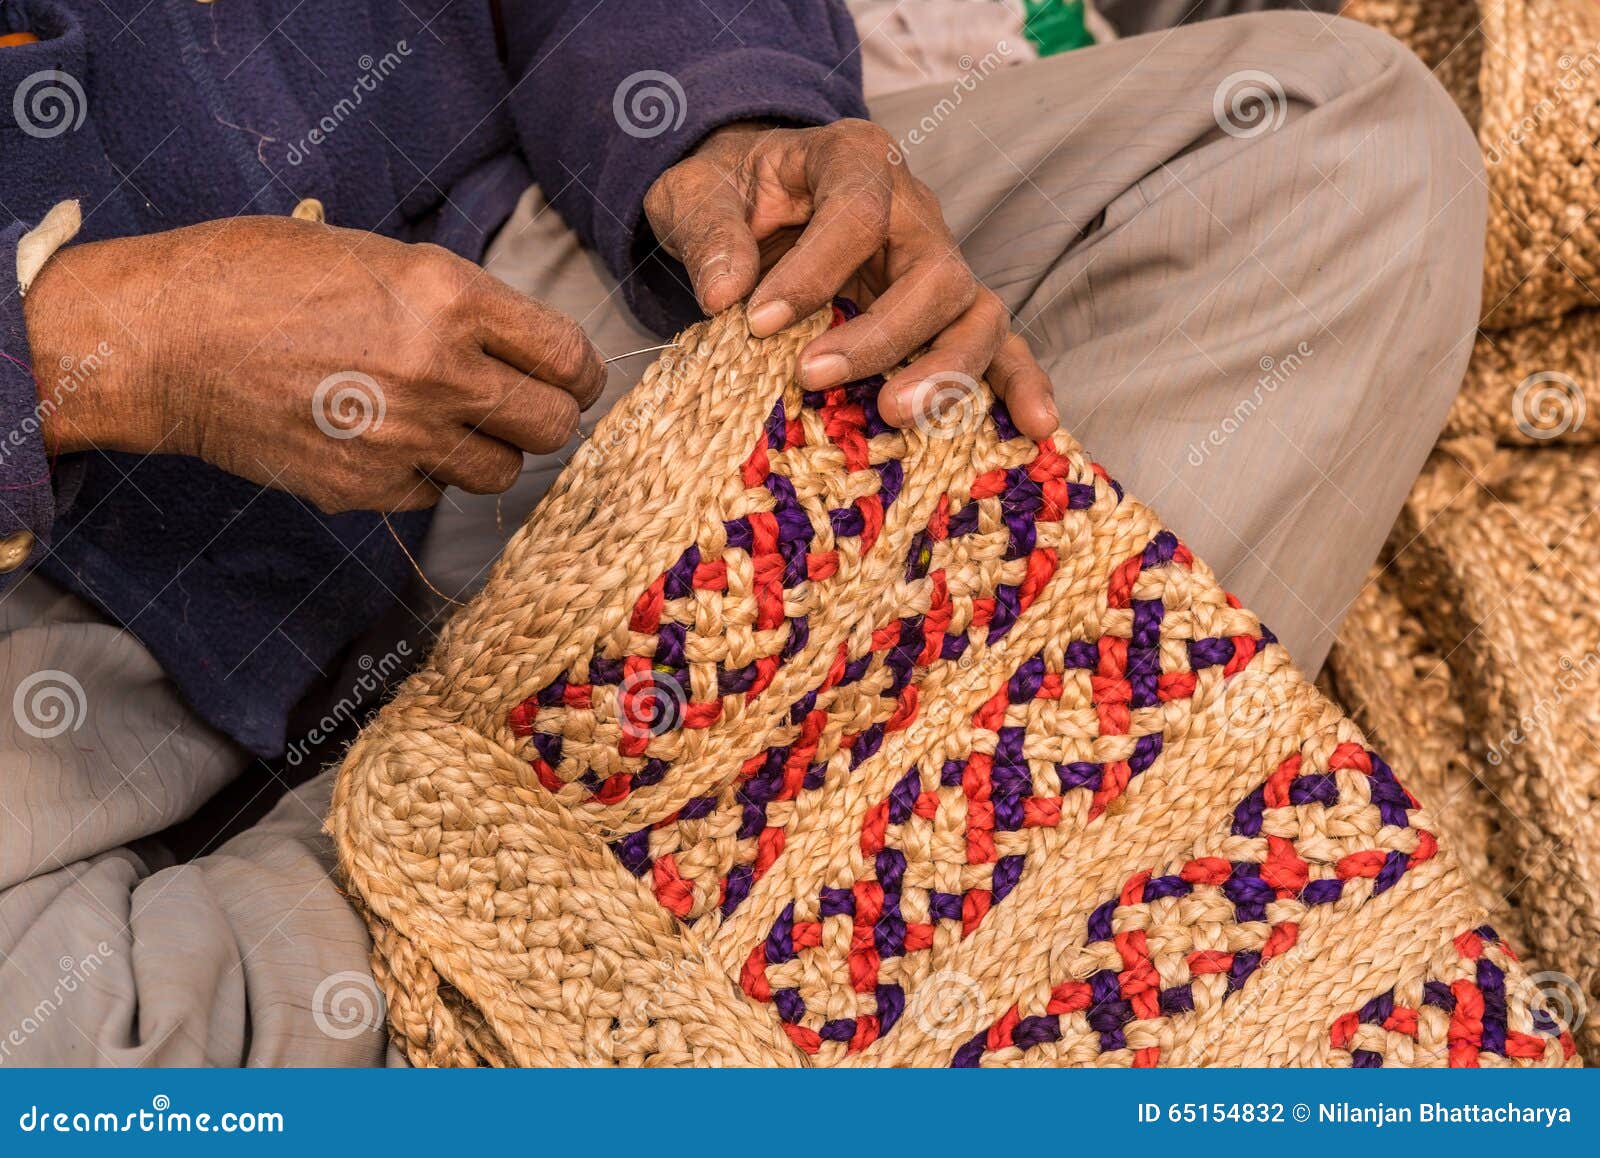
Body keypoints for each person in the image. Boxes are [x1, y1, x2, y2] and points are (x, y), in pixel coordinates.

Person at [0, 1, 1482, 1064]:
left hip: (541, 305)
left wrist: (725, 125)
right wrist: (90, 343)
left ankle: (705, 925)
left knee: (1323, 151)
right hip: (56, 611)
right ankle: (631, 922)